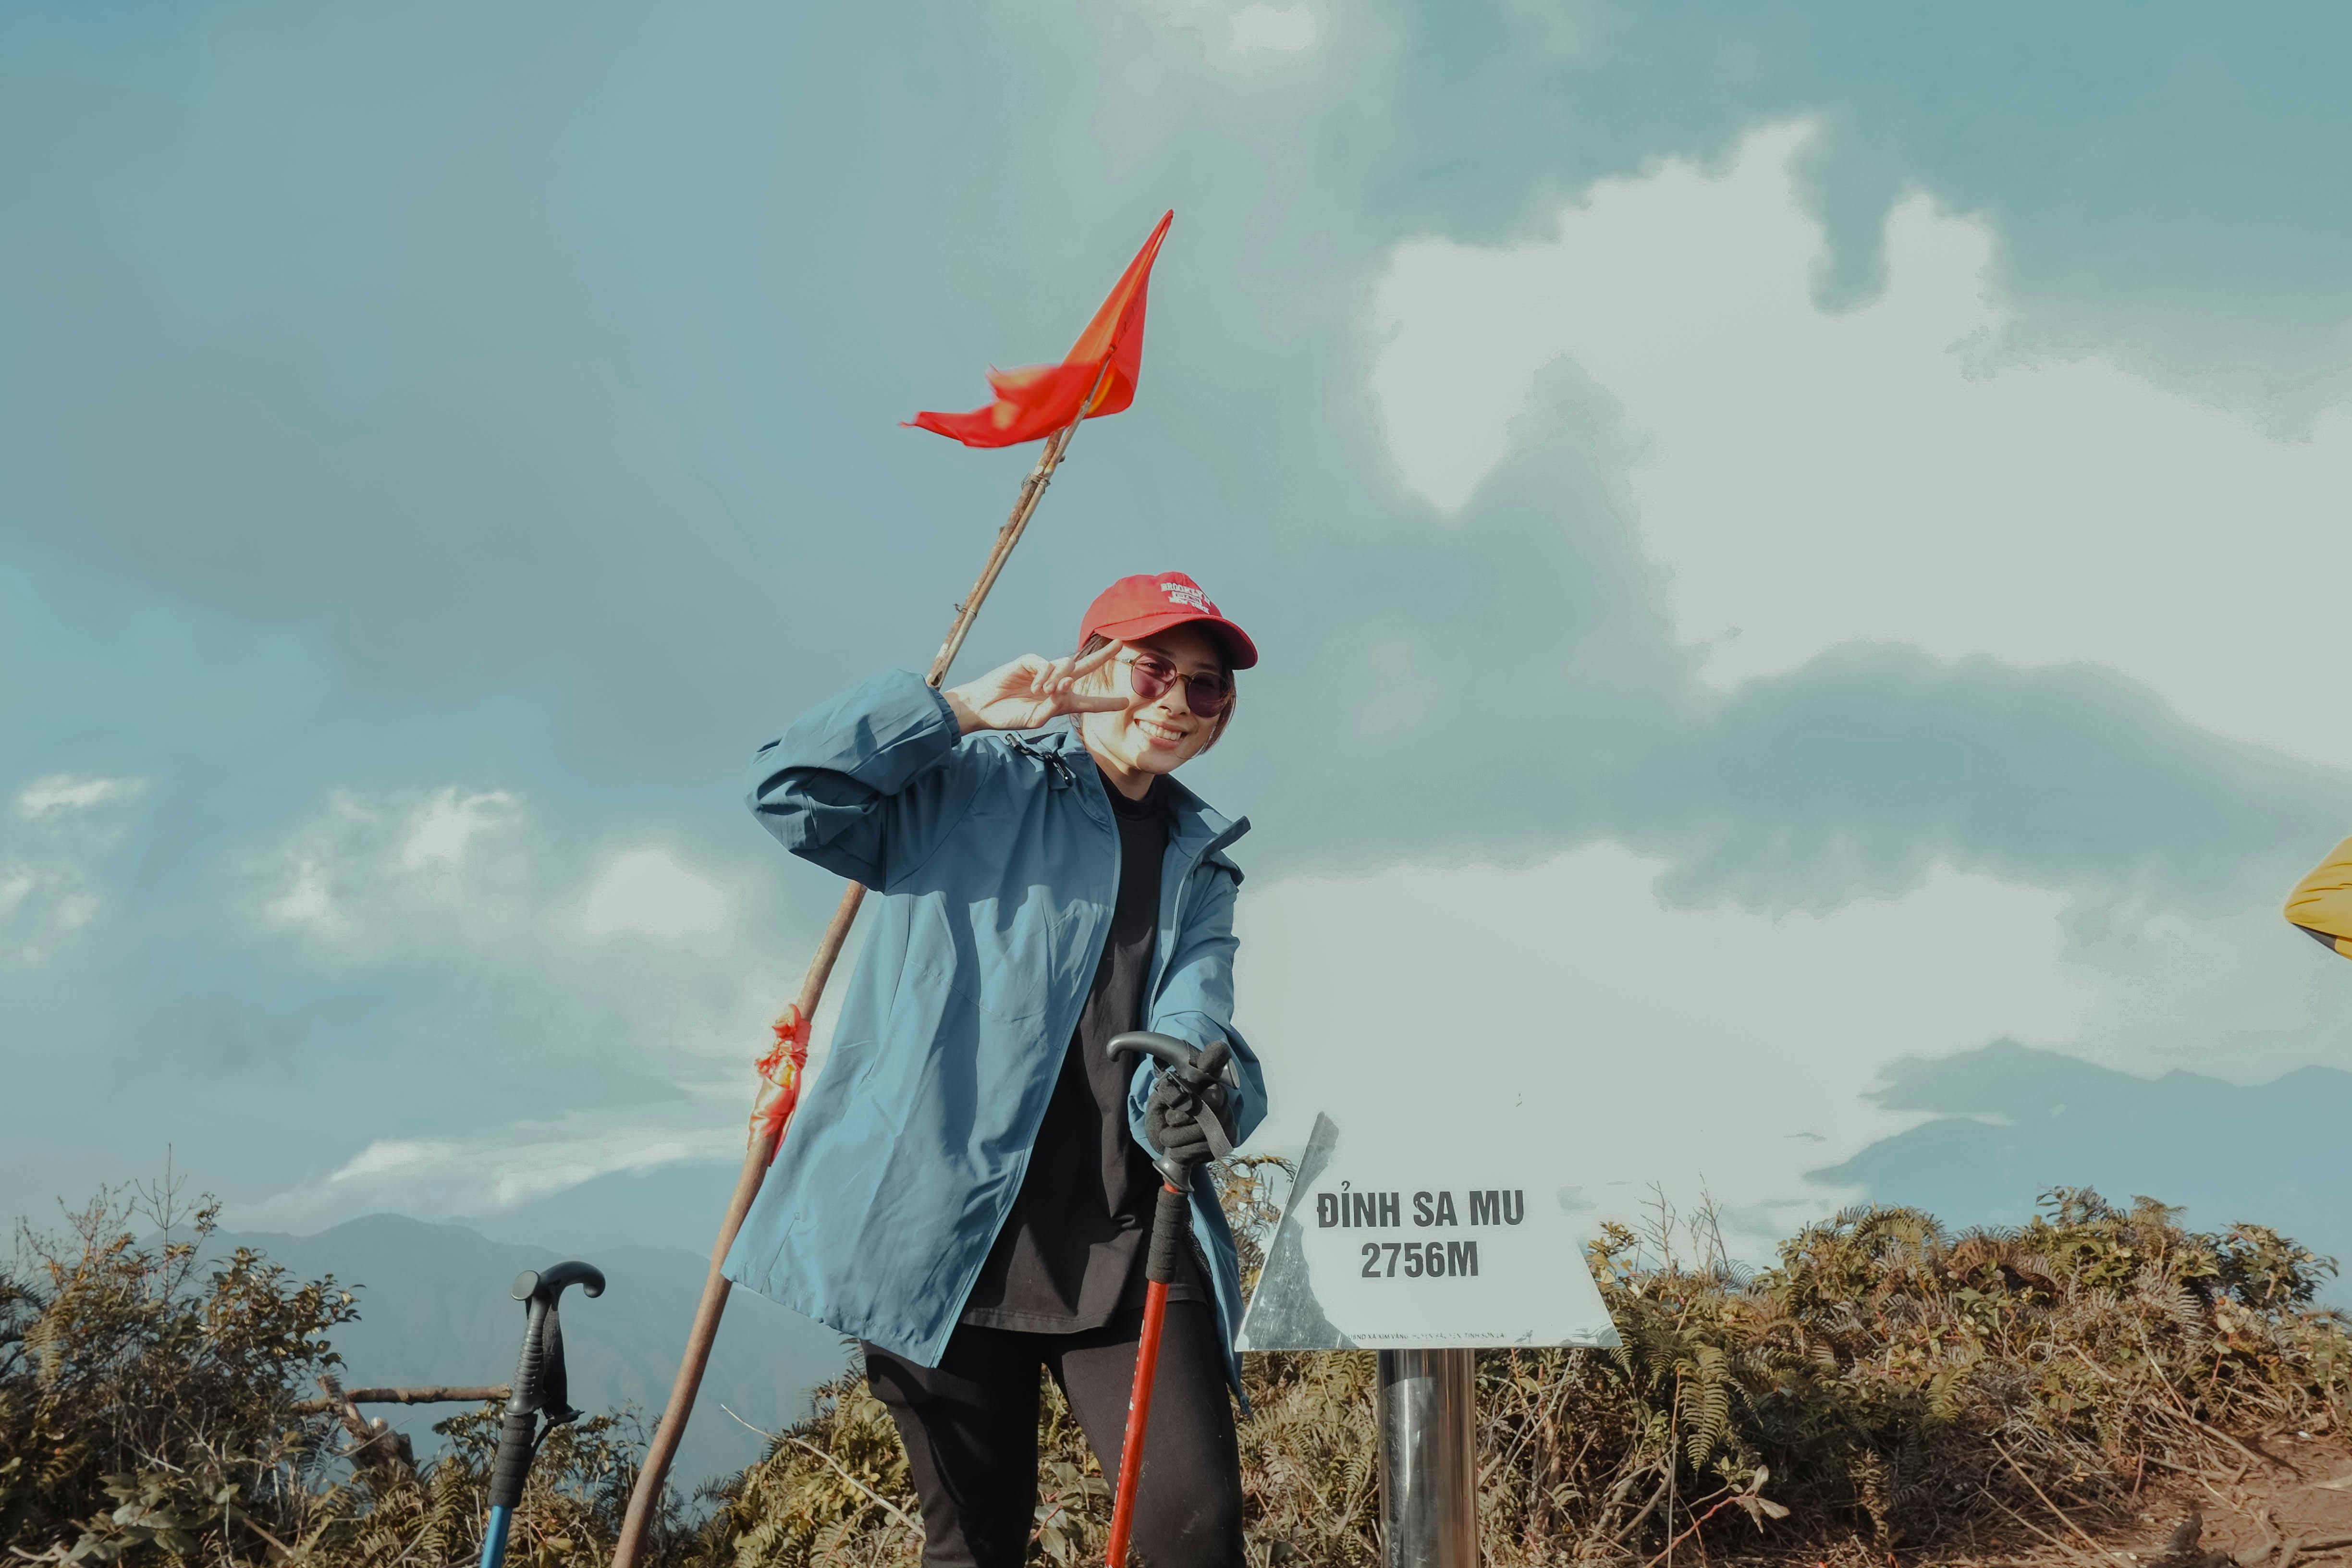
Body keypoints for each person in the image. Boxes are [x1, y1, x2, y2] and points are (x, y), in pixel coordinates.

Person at [723, 570, 1265, 1568]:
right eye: (1155, 670)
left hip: (1128, 1233)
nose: (1178, 705)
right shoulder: (973, 783)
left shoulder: (1203, 856)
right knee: (975, 1548)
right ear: (1094, 662)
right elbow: (787, 792)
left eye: (1208, 688)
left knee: (1197, 1532)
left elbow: (1199, 1011)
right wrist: (957, 710)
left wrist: (1201, 1089)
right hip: (938, 1240)